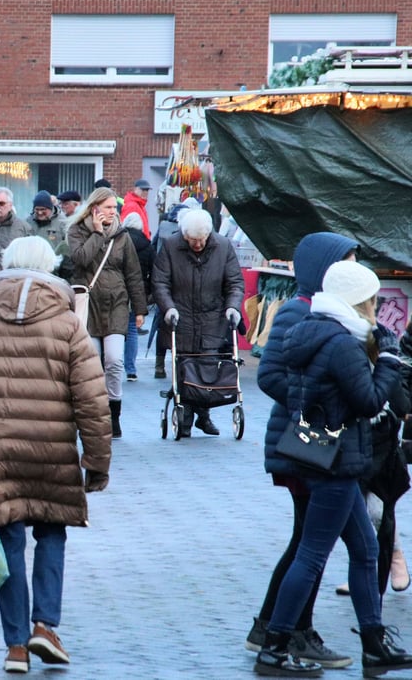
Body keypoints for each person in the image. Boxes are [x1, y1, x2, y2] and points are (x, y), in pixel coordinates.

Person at [0, 236, 111, 674]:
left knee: (9, 541)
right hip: (53, 450)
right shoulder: (68, 322)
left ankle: (16, 646)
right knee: (52, 533)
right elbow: (92, 399)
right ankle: (45, 626)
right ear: (50, 267)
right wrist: (97, 462)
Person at [254, 260, 412, 678]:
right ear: (359, 301)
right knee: (311, 554)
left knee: (366, 550)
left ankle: (374, 642)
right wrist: (389, 359)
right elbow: (369, 400)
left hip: (327, 458)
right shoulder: (341, 343)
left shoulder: (315, 328)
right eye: (373, 301)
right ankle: (274, 646)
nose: (377, 308)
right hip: (336, 464)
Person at [245, 232, 360, 670]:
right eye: (346, 262)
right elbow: (270, 375)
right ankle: (291, 632)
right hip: (308, 445)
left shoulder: (325, 309)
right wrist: (315, 404)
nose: (353, 269)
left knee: (305, 541)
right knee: (311, 544)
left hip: (315, 445)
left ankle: (272, 626)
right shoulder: (298, 310)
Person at [151, 208, 244, 438]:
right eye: (193, 240)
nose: (198, 244)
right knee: (185, 369)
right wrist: (168, 307)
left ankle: (203, 416)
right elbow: (160, 282)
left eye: (201, 239)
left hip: (212, 319)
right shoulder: (171, 246)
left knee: (208, 368)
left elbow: (234, 282)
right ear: (184, 235)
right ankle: (185, 420)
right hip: (181, 318)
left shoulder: (223, 247)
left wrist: (232, 306)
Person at [66, 187, 147, 438]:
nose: (113, 211)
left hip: (116, 305)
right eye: (108, 207)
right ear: (95, 208)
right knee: (90, 364)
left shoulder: (122, 235)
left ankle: (114, 413)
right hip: (88, 306)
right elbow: (81, 259)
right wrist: (97, 233)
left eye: (114, 207)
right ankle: (92, 412)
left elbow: (133, 273)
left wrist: (140, 309)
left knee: (114, 360)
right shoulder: (76, 231)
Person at [151, 197, 201, 378]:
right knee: (180, 328)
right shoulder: (184, 236)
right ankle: (180, 367)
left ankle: (159, 365)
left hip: (164, 284)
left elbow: (153, 249)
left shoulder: (164, 227)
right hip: (180, 286)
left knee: (162, 325)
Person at [121, 212, 154, 382]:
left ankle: (109, 365)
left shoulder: (120, 241)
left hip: (119, 288)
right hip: (139, 290)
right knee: (132, 329)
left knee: (114, 329)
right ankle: (131, 370)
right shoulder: (147, 245)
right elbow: (153, 270)